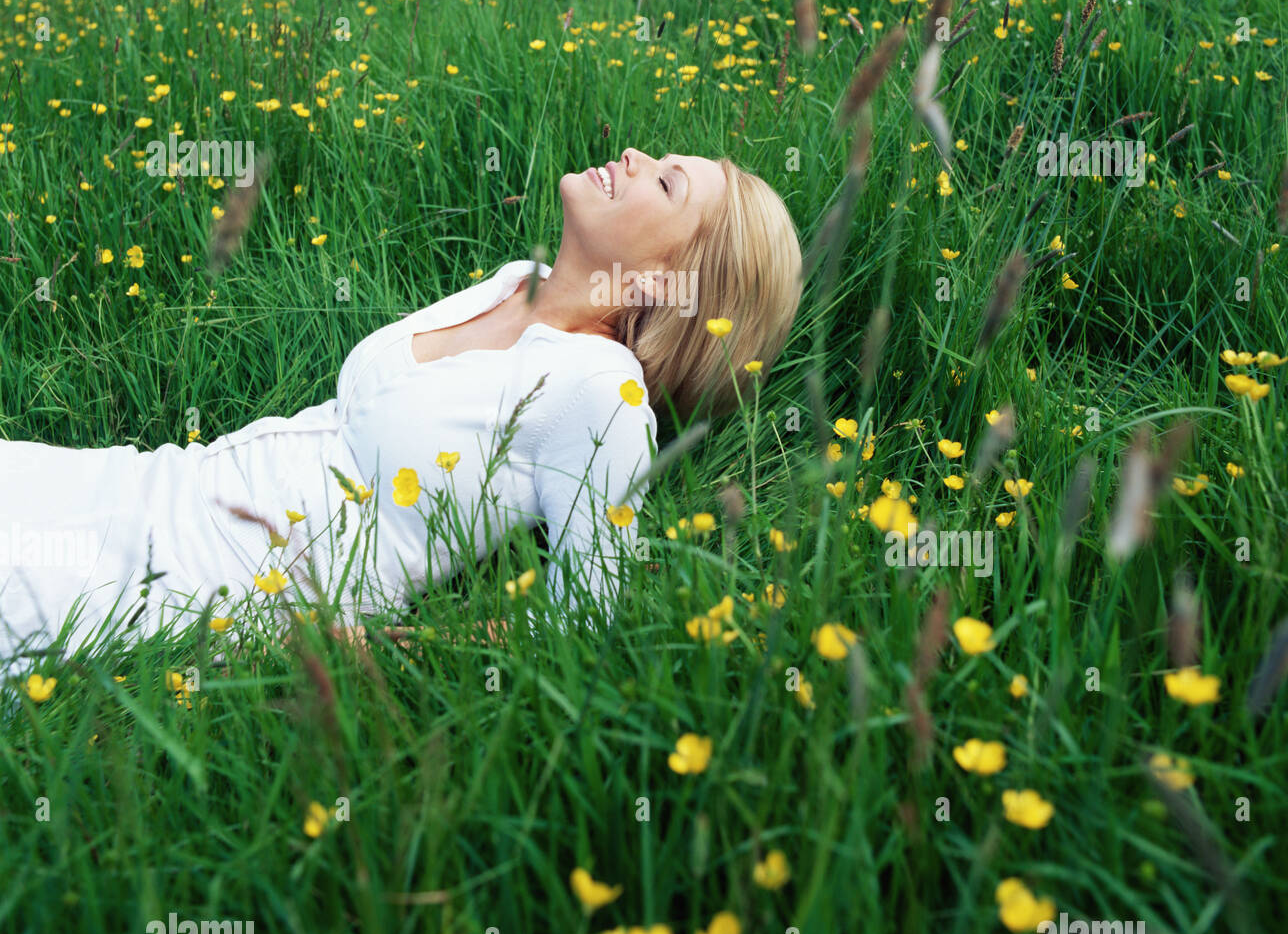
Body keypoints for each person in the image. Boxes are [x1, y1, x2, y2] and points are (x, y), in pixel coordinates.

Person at [0, 149, 802, 660]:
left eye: (665, 181)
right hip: (168, 485)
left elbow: (587, 618)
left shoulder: (603, 395)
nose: (634, 156)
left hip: (206, 585)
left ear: (669, 281)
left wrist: (388, 646)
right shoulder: (510, 280)